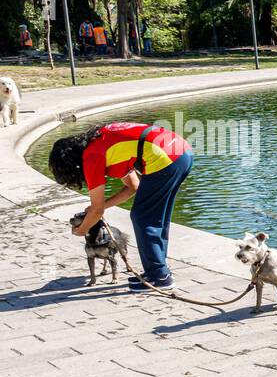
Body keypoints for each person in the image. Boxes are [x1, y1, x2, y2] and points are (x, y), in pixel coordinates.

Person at [48, 122, 194, 291]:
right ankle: (159, 271)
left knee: (143, 217)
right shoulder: (103, 142)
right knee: (156, 216)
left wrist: (82, 230)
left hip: (166, 158)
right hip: (181, 151)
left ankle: (159, 276)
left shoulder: (91, 156)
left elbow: (97, 210)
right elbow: (133, 187)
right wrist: (99, 207)